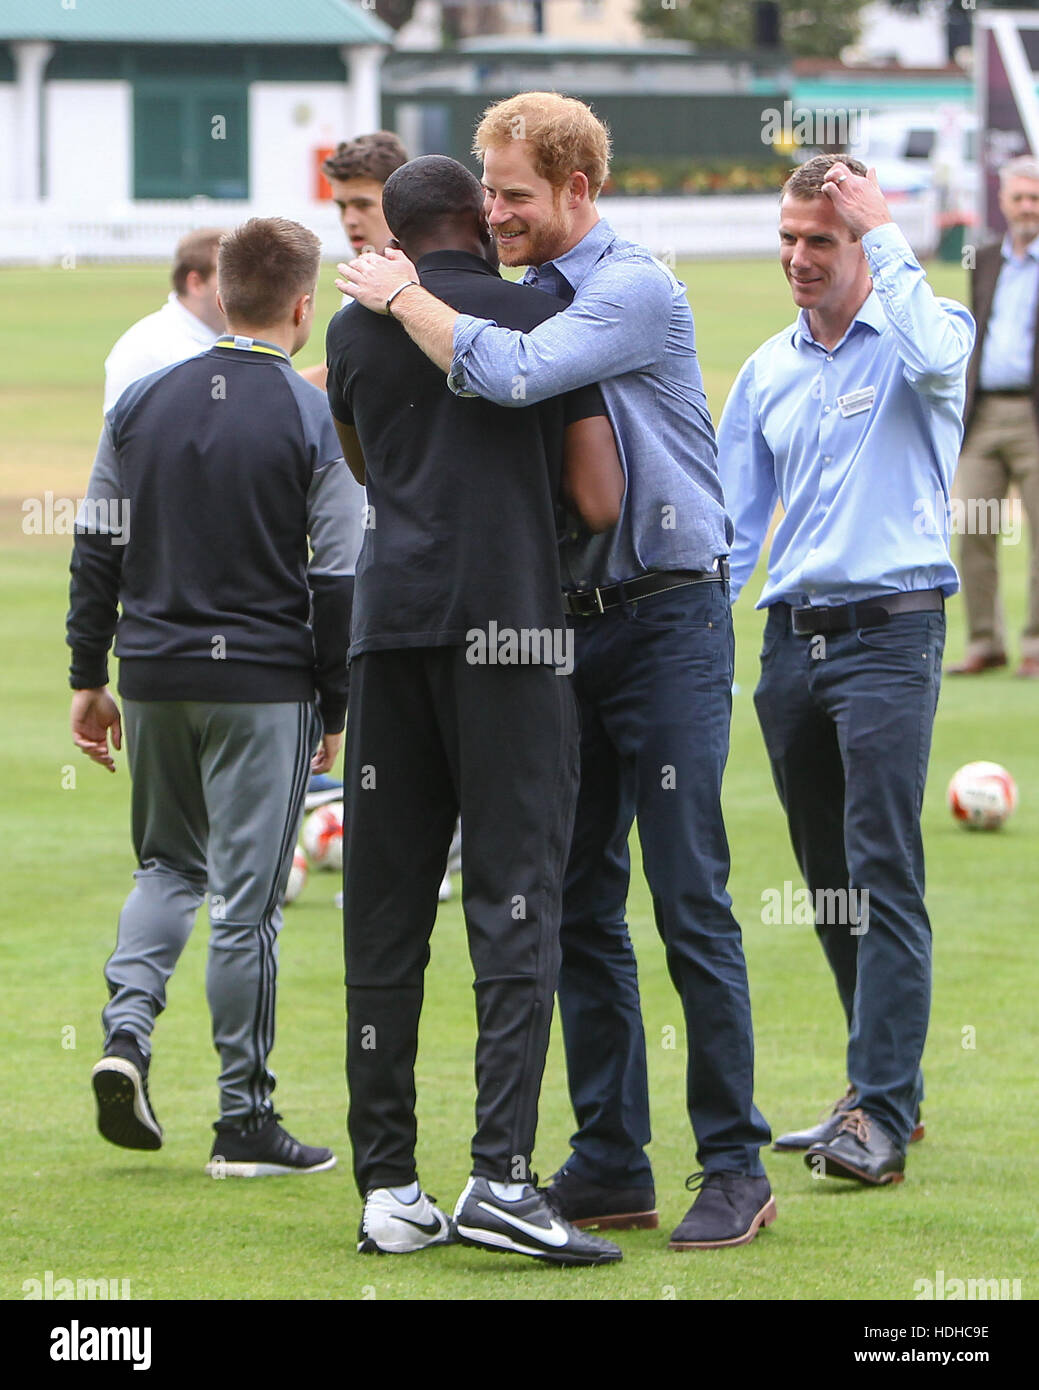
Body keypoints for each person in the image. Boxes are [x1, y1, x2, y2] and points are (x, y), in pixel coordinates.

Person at [339, 92, 774, 1250]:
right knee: (571, 899)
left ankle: (733, 1161)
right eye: (487, 192)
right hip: (559, 626)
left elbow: (519, 374)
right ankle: (611, 1158)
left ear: (579, 190)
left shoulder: (625, 288)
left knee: (688, 894)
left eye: (517, 193)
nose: (496, 211)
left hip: (668, 617)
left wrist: (403, 293)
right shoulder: (527, 284)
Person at [326, 153, 625, 1265]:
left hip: (386, 628)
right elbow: (599, 495)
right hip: (511, 628)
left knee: (384, 914)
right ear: (478, 216)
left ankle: (388, 1186)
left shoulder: (355, 330)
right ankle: (500, 1174)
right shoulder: (541, 315)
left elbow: (366, 471)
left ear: (398, 236)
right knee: (514, 902)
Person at [69, 217, 362, 1176]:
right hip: (263, 685)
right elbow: (337, 574)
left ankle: (126, 1037)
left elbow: (96, 544)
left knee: (165, 869)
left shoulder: (142, 401)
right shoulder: (309, 414)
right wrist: (332, 703)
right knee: (246, 907)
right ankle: (243, 1122)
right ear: (302, 306)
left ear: (220, 291)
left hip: (151, 676)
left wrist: (87, 676)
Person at [716, 155, 974, 1184]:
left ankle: (878, 1104)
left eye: (819, 240)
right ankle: (878, 1097)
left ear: (862, 243)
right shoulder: (768, 369)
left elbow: (934, 363)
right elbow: (734, 528)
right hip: (792, 643)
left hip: (890, 634)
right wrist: (695, 634)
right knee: (829, 884)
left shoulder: (925, 331)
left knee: (881, 868)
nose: (795, 258)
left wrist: (888, 229)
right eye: (787, 238)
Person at [949, 154, 1039, 679]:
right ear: (1003, 202)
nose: (1027, 208)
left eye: (1035, 199)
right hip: (983, 412)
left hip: (1032, 413)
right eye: (1019, 198)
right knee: (974, 527)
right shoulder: (984, 260)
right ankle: (985, 641)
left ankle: (1035, 645)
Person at [103, 229, 227, 411]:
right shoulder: (146, 348)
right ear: (196, 283)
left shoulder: (238, 340)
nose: (242, 285)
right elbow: (122, 432)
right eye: (228, 275)